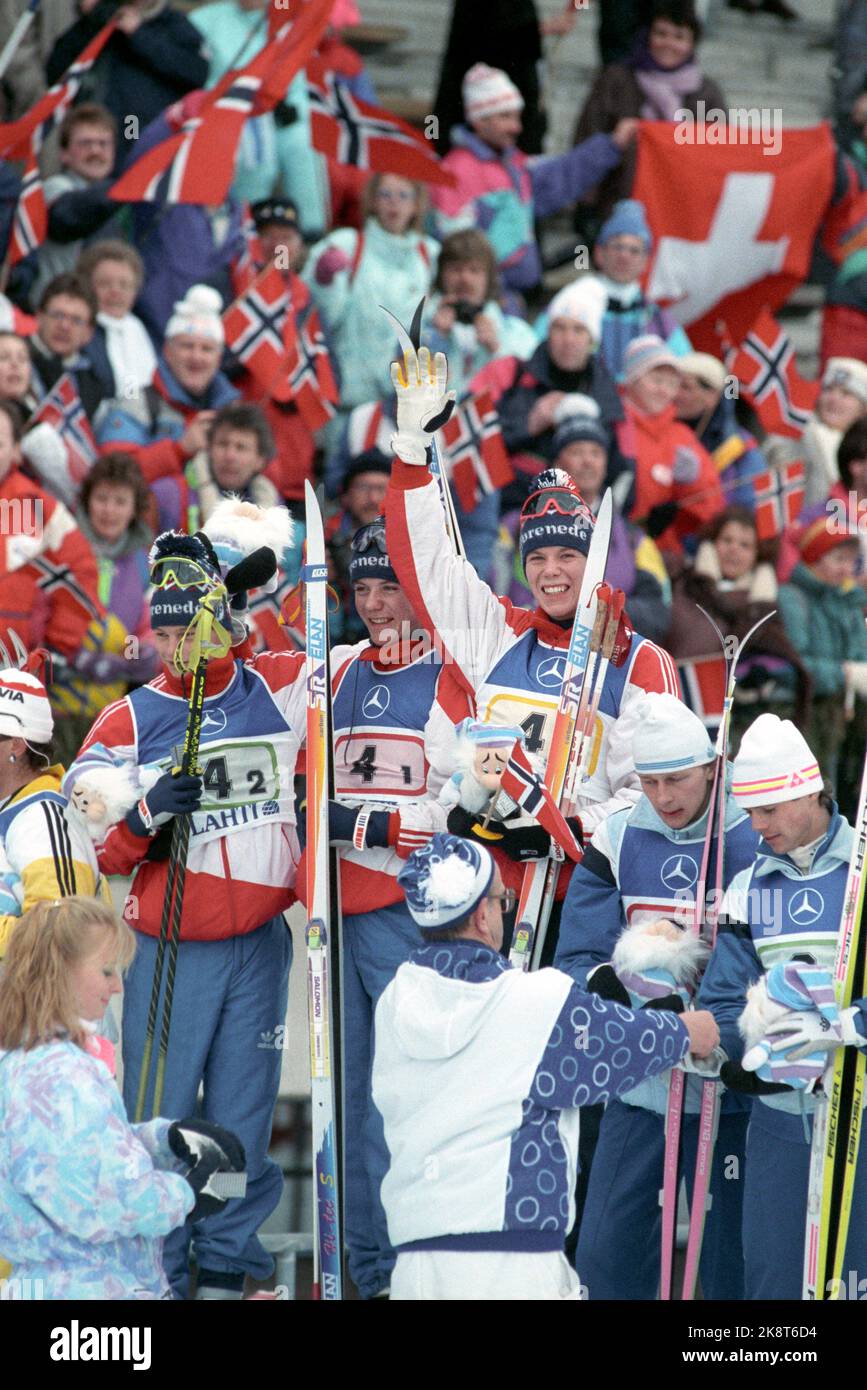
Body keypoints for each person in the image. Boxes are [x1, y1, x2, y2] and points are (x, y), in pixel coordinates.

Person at [64, 528, 308, 1300]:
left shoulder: (279, 683)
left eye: (186, 629)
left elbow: (356, 663)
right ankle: (155, 1270)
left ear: (218, 617)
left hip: (260, 944)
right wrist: (144, 817)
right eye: (162, 633)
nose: (173, 648)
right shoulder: (131, 718)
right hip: (174, 947)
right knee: (161, 1118)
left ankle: (227, 1264)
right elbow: (88, 840)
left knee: (241, 1117)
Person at [385, 346, 681, 968]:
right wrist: (412, 450)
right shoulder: (497, 633)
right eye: (538, 558)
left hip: (580, 895)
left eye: (567, 557)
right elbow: (427, 567)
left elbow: (655, 791)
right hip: (486, 894)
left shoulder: (636, 659)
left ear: (593, 559)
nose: (551, 573)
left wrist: (565, 827)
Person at [371, 831, 720, 1301]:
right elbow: (615, 1046)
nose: (505, 909)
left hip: (416, 1261)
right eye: (501, 900)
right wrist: (688, 1029)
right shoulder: (529, 1002)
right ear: (481, 916)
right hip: (511, 1257)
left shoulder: (396, 1001)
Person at [297, 518, 456, 1299]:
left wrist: (361, 824)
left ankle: (414, 1270)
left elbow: (453, 809)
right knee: (348, 1102)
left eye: (389, 585)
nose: (374, 604)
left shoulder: (450, 674)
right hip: (337, 913)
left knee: (409, 1097)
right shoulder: (337, 668)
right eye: (361, 588)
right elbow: (301, 777)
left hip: (409, 914)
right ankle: (369, 1274)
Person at [555, 693, 758, 1298]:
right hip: (640, 1082)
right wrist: (642, 1004)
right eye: (649, 781)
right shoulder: (618, 835)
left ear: (711, 768)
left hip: (729, 1087)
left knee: (727, 1261)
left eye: (678, 779)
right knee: (606, 1254)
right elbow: (578, 961)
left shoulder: (752, 831)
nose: (665, 797)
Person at [0, 895, 245, 1300]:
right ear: (61, 972)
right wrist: (190, 1194)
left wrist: (165, 1140)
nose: (116, 986)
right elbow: (103, 1200)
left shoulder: (22, 1062)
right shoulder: (64, 1076)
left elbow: (79, 1155)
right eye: (107, 971)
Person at [698, 714, 867, 1301]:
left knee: (851, 1282)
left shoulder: (862, 872)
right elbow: (722, 996)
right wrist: (743, 1057)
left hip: (858, 1114)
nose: (756, 825)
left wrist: (844, 1027)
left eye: (768, 810)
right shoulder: (750, 885)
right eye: (748, 812)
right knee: (771, 1283)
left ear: (808, 789)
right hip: (780, 1122)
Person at [432, 63, 636, 296]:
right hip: (480, 299)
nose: (516, 127)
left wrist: (612, 145)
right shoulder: (456, 172)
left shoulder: (513, 164)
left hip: (511, 298)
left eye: (517, 117)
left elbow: (562, 176)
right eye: (506, 116)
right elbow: (454, 250)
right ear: (480, 120)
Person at [666, 505, 810, 748]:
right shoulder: (683, 583)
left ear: (758, 555)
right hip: (679, 698)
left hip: (738, 718)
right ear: (711, 543)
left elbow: (786, 657)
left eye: (745, 545)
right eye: (727, 540)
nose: (734, 549)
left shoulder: (767, 604)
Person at [573, 0, 726, 220]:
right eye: (661, 33)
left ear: (692, 43)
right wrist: (586, 202)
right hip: (617, 208)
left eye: (679, 37)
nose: (668, 43)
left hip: (680, 212)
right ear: (648, 35)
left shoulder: (707, 93)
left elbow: (721, 154)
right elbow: (587, 137)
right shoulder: (617, 79)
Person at [304, 173, 439, 418]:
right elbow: (321, 319)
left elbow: (435, 320)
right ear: (372, 201)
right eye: (385, 194)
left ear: (417, 204)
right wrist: (323, 282)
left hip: (403, 404)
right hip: (348, 398)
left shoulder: (430, 255)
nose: (393, 202)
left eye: (403, 195)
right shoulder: (345, 243)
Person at [483, 276, 630, 489]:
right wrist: (529, 426)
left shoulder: (605, 389)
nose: (568, 339)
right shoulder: (512, 372)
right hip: (512, 503)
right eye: (559, 328)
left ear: (592, 341)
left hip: (581, 507)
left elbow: (622, 467)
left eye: (579, 330)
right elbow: (476, 450)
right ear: (548, 332)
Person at [0, 668, 103, 957]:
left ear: (16, 746)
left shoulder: (43, 819)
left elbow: (61, 935)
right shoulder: (15, 804)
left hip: (47, 1000)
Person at [0, 400, 103, 680]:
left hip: (19, 679)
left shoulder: (39, 510)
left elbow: (81, 571)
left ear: (16, 451)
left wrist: (59, 646)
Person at [96, 284, 238, 486]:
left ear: (219, 358)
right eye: (187, 346)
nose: (196, 357)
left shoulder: (234, 410)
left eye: (207, 349)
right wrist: (179, 450)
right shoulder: (135, 403)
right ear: (167, 351)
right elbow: (110, 477)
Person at [47, 1, 209, 169]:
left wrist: (139, 33)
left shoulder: (174, 24)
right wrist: (91, 19)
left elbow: (195, 73)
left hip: (145, 131)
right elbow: (56, 73)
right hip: (98, 135)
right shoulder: (100, 20)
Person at [777, 517, 867, 791]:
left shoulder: (847, 600)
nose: (846, 568)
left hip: (847, 713)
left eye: (851, 560)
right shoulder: (793, 598)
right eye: (839, 558)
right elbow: (793, 664)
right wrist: (844, 674)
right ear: (815, 558)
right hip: (812, 714)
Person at [618, 334, 725, 558]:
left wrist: (691, 483)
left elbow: (711, 512)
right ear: (633, 379)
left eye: (671, 384)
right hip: (613, 547)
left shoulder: (681, 436)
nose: (664, 391)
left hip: (662, 554)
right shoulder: (614, 426)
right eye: (656, 380)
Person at [424, 229, 536, 398]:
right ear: (441, 275)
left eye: (474, 270)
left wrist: (497, 348)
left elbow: (529, 388)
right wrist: (434, 339)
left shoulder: (516, 331)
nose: (465, 279)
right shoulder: (418, 326)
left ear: (489, 277)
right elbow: (396, 387)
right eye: (456, 269)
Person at [30, 103, 123, 306]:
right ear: (64, 154)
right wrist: (125, 185)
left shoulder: (113, 204)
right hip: (50, 310)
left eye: (103, 144)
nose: (96, 151)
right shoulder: (54, 187)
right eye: (85, 144)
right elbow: (67, 217)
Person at [592, 198, 691, 380]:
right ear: (599, 253)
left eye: (634, 250)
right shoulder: (571, 305)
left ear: (646, 261)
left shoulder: (660, 321)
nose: (624, 256)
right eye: (617, 247)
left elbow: (684, 372)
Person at [767, 356, 867, 508]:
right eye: (828, 390)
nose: (834, 399)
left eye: (846, 394)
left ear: (863, 408)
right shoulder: (798, 433)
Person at [674, 352, 768, 510]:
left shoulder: (739, 448)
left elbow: (748, 507)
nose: (676, 394)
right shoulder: (663, 430)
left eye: (685, 387)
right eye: (674, 385)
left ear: (712, 396)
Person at [76, 240, 157, 397]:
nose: (115, 292)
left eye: (124, 285)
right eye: (105, 284)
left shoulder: (134, 328)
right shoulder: (81, 329)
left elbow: (132, 388)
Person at [29, 273, 110, 419]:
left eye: (76, 320)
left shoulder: (93, 381)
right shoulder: (15, 360)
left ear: (89, 333)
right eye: (57, 315)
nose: (64, 326)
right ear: (39, 317)